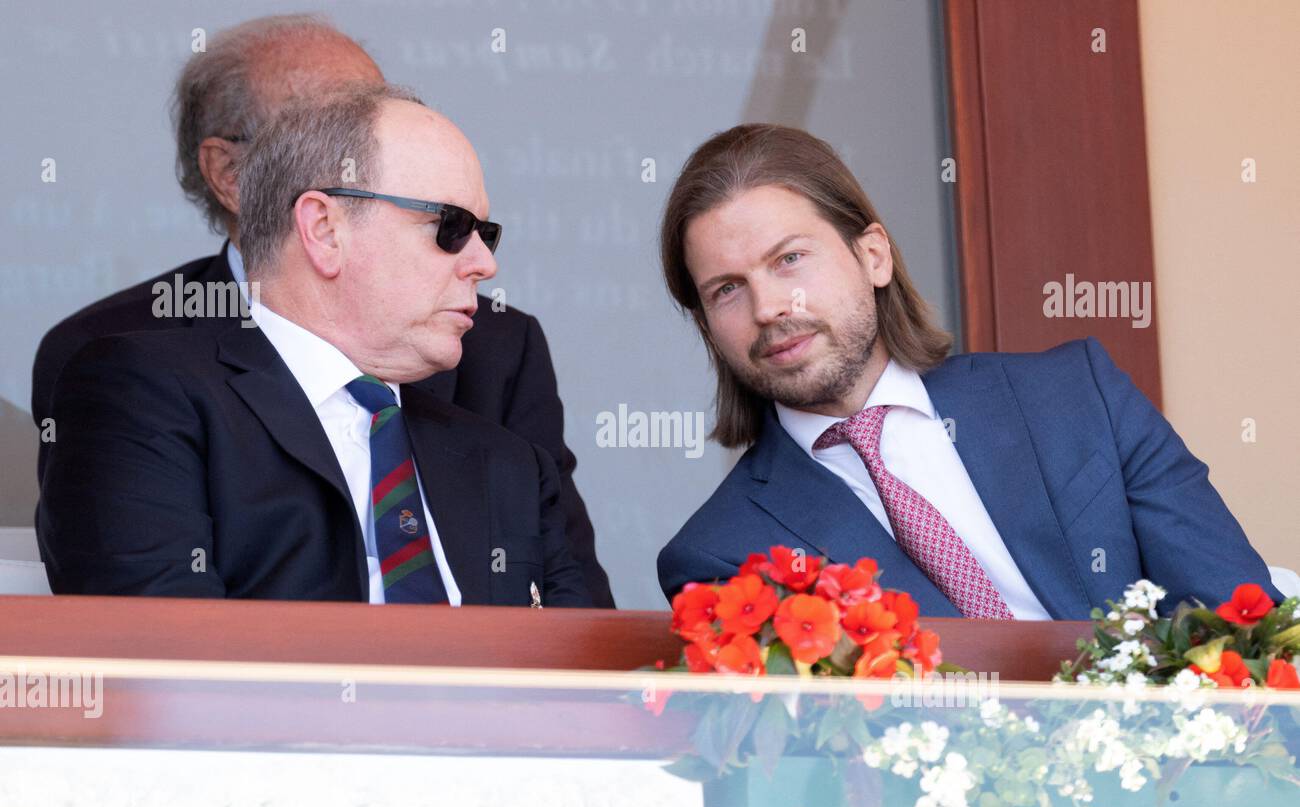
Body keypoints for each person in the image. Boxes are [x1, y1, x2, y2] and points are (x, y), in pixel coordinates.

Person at [31, 13, 614, 606]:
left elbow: (581, 649)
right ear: (324, 229)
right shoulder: (142, 391)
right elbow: (161, 649)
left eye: (485, 234)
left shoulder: (508, 462)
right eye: (449, 226)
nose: (485, 264)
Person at [656, 123, 1280, 619]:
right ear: (707, 325)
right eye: (727, 290)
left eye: (789, 259)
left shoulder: (1078, 397)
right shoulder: (721, 557)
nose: (768, 308)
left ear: (873, 256)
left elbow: (1242, 632)